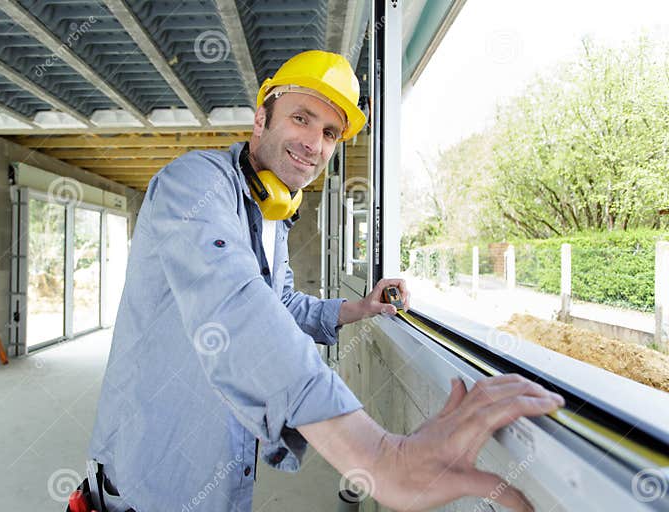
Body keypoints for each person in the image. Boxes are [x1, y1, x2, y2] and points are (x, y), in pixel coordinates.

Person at [87, 50, 564, 512]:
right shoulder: (194, 184)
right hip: (149, 482)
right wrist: (377, 455)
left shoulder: (273, 217)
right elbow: (234, 303)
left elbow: (280, 304)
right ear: (261, 119)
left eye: (330, 132)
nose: (314, 144)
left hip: (220, 479)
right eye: (301, 118)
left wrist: (358, 308)